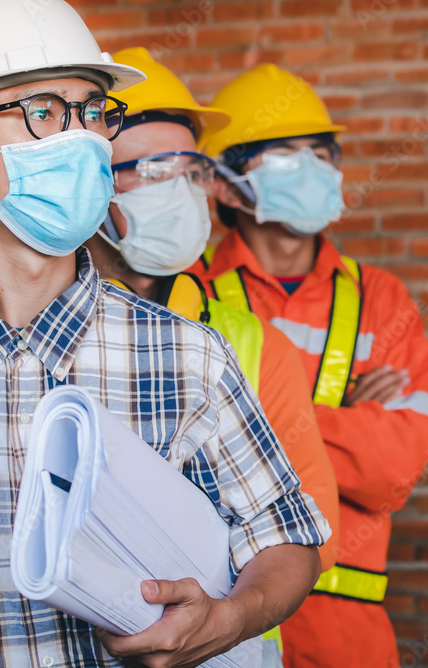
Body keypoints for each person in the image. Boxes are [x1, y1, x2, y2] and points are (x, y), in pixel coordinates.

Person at [0, 3, 327, 666]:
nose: (83, 137)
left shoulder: (186, 354)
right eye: (44, 112)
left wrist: (230, 619)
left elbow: (286, 539)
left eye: (92, 110)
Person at [81, 47, 342, 666]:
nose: (183, 190)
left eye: (193, 170)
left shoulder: (246, 340)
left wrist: (223, 609)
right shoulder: (32, 331)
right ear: (89, 182)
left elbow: (309, 537)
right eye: (153, 168)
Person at [191, 64, 428, 667]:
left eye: (323, 152)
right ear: (227, 186)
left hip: (347, 638)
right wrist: (340, 416)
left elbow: (394, 468)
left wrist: (258, 422)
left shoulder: (382, 299)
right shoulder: (188, 293)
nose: (313, 166)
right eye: (285, 153)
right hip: (223, 625)